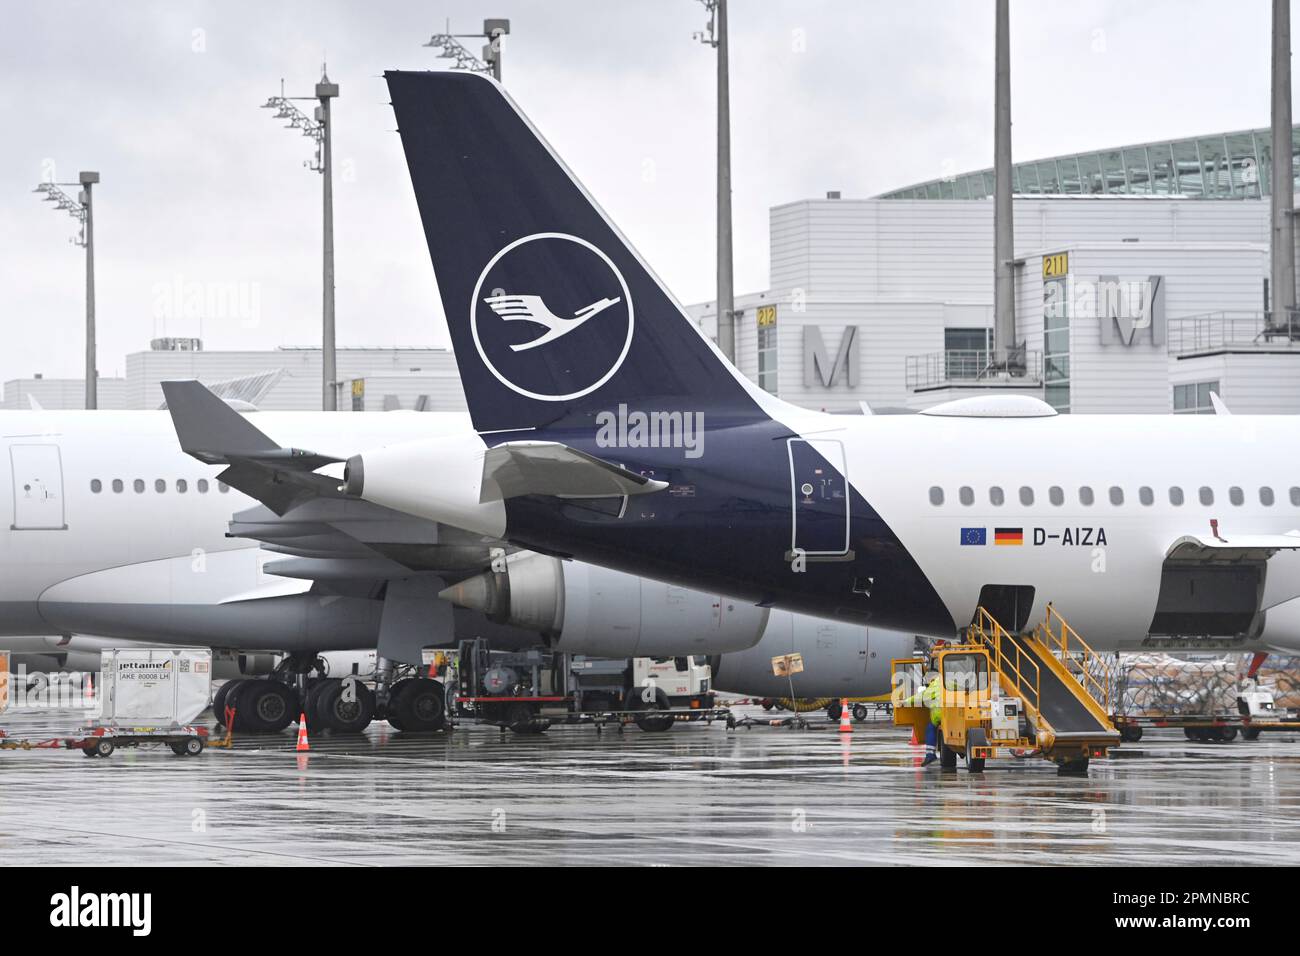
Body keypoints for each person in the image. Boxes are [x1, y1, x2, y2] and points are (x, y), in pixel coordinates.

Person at [905, 666, 944, 766]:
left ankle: (930, 755)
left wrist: (905, 702)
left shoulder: (934, 685)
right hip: (953, 714)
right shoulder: (947, 681)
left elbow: (920, 697)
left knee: (930, 728)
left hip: (940, 715)